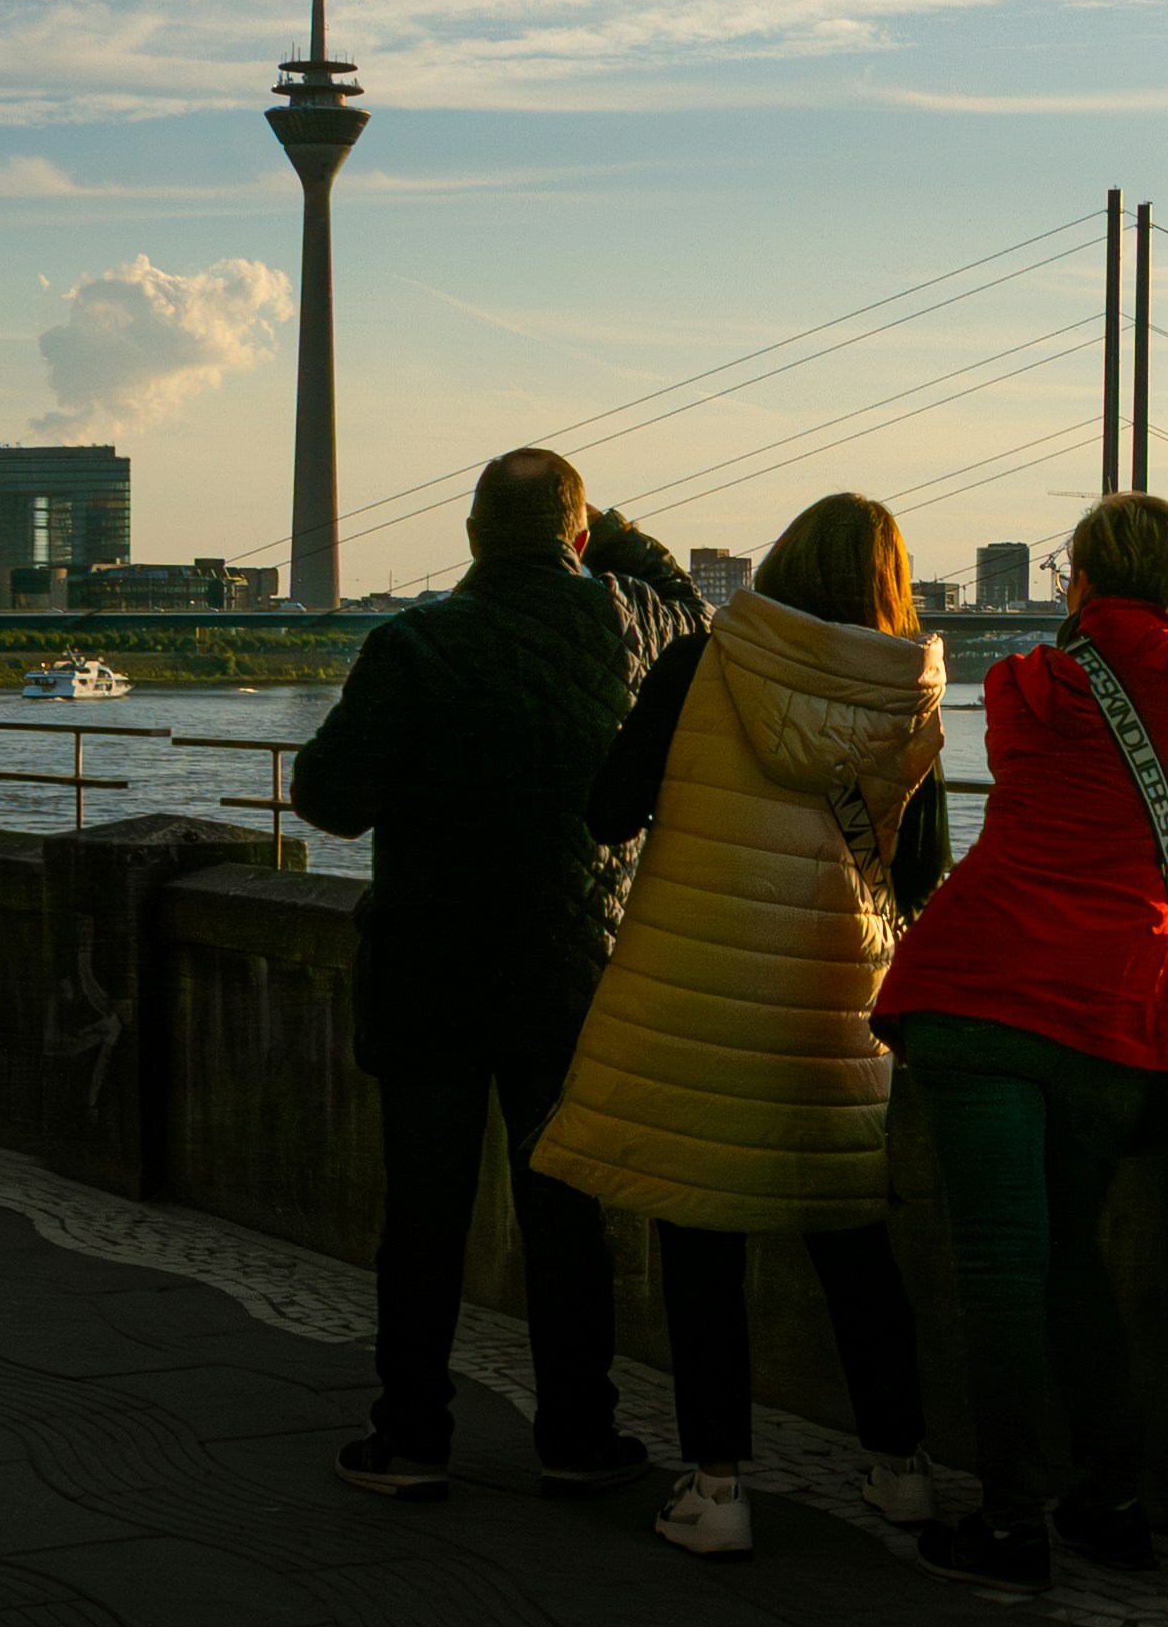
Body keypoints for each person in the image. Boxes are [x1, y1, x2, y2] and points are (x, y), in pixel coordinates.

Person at [534, 491, 954, 1558]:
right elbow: (920, 877)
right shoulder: (913, 701)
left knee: (700, 1238)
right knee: (854, 1239)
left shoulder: (699, 665)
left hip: (700, 991)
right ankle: (903, 1471)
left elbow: (607, 811)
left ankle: (717, 1489)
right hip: (836, 1002)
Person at [291, 448, 705, 1504]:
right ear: (577, 536)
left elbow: (329, 797)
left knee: (424, 1213)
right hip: (572, 976)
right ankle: (576, 1434)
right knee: (566, 1214)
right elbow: (693, 610)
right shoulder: (635, 623)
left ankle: (412, 1437)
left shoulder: (411, 642)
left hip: (429, 968)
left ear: (472, 538)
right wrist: (608, 526)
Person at [876, 491, 1168, 1591]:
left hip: (981, 989)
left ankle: (1009, 1524)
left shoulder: (1024, 682)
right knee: (1072, 1258)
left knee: (1002, 1261)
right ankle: (1111, 1496)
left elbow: (1028, 775)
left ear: (1079, 579)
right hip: (1113, 1008)